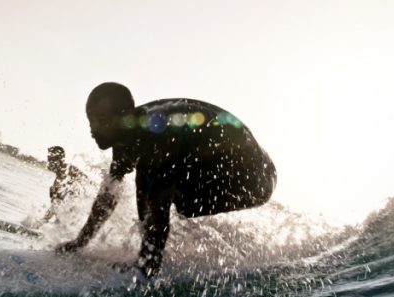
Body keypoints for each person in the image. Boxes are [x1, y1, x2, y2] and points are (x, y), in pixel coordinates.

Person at [55, 82, 277, 277]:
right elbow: (109, 193)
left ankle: (149, 263)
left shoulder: (156, 132)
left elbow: (157, 206)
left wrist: (144, 267)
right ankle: (153, 257)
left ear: (125, 116)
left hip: (256, 178)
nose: (93, 129)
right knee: (154, 189)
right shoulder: (126, 135)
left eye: (101, 120)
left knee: (159, 192)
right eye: (91, 121)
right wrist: (80, 242)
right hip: (224, 165)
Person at [39, 146, 89, 224]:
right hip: (75, 206)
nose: (48, 161)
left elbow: (87, 182)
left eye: (51, 159)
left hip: (80, 203)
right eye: (48, 158)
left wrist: (44, 220)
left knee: (59, 203)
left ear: (59, 160)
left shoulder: (66, 170)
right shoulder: (60, 174)